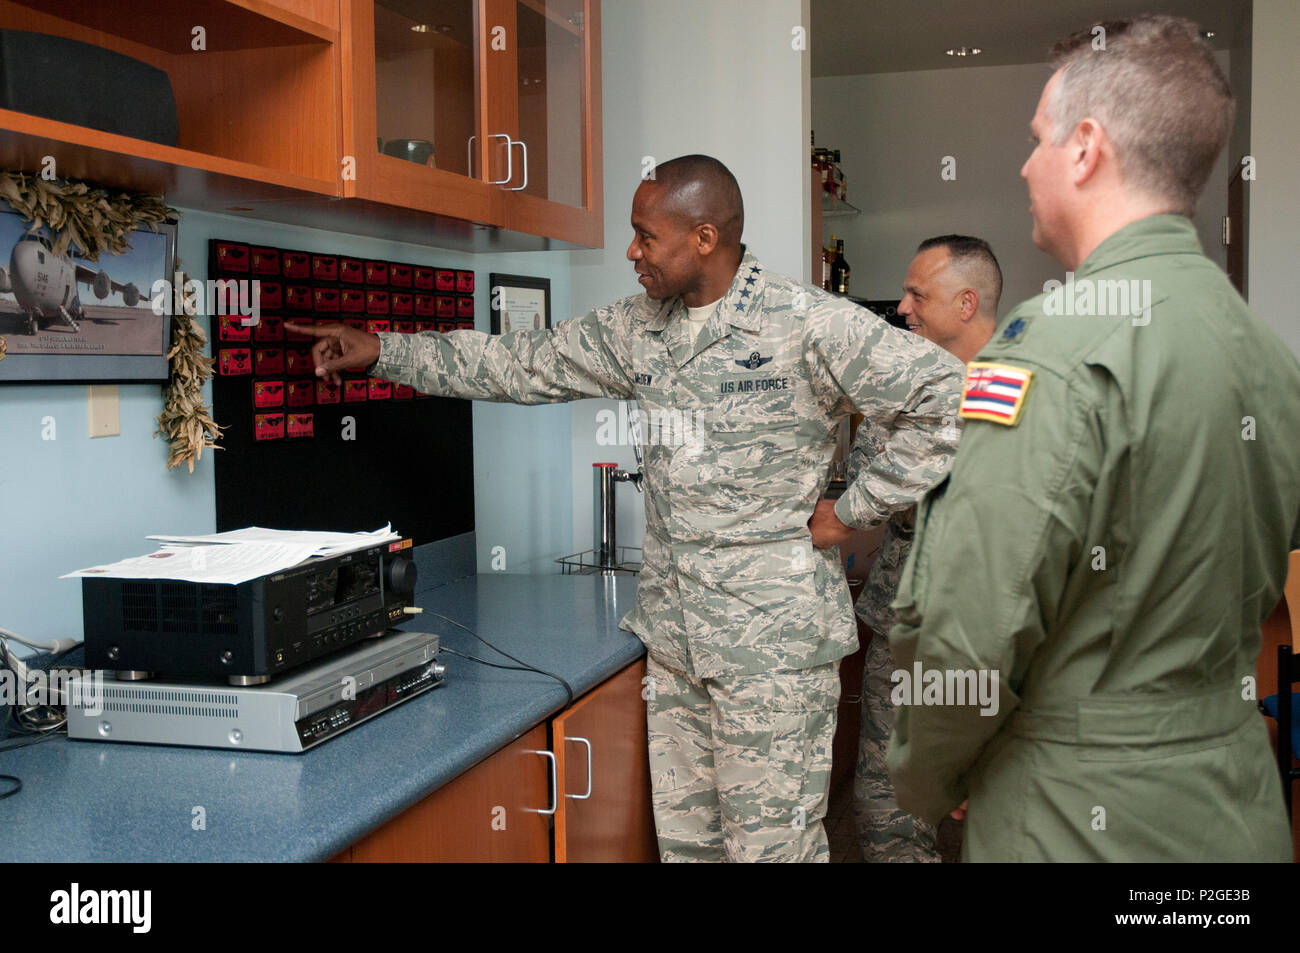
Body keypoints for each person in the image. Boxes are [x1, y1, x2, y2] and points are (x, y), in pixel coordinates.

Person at [288, 155, 964, 862]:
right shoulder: (639, 328)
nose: (632, 251)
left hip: (773, 654)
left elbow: (959, 401)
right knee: (689, 853)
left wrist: (853, 509)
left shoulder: (808, 324)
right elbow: (521, 362)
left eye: (646, 235)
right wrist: (385, 353)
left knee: (774, 855)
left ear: (705, 237)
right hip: (676, 645)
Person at [887, 15, 1300, 861]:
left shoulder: (1052, 348)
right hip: (1231, 803)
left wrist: (928, 780)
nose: (1026, 164)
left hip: (1078, 814)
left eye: (1038, 140)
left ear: (1085, 148)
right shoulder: (1263, 352)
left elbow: (973, 629)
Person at [851, 234, 1000, 862]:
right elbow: (865, 481)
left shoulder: (1021, 385)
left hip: (995, 628)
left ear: (966, 303)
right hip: (903, 619)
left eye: (918, 294)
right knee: (887, 799)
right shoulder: (902, 387)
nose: (902, 307)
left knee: (1007, 799)